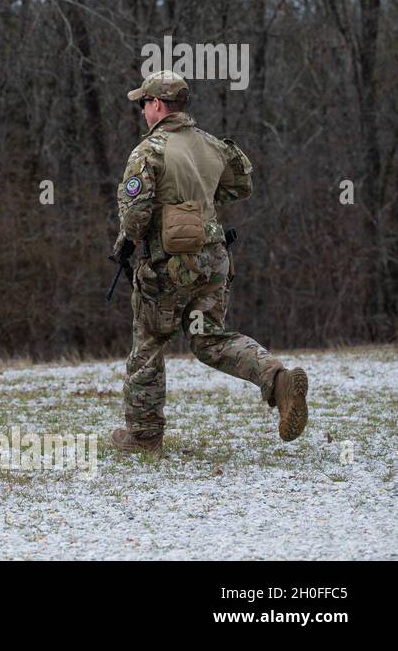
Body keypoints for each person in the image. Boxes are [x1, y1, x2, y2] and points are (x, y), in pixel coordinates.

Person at [111, 70, 309, 453]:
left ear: (156, 105)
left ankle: (143, 434)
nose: (141, 111)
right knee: (210, 338)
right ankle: (278, 380)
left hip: (169, 265)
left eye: (143, 103)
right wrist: (199, 199)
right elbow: (241, 185)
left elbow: (134, 219)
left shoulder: (148, 152)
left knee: (150, 342)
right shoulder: (212, 145)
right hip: (213, 260)